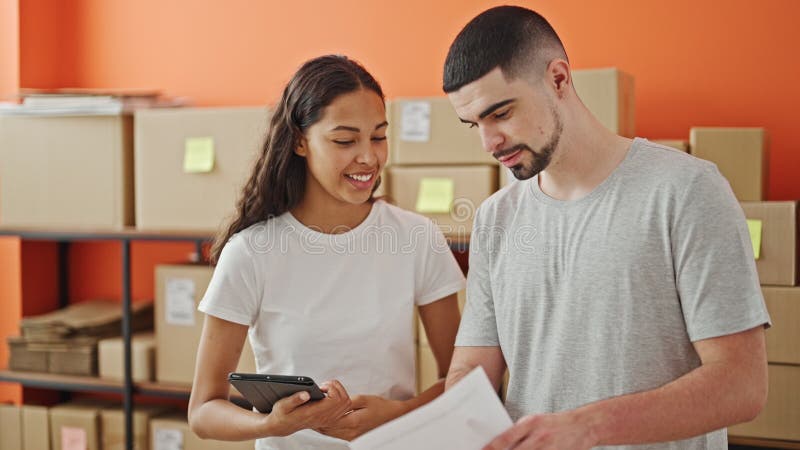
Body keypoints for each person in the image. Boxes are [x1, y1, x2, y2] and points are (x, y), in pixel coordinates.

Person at [441, 6, 770, 450]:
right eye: (473, 124)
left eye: (500, 113)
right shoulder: (495, 218)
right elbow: (474, 367)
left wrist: (587, 427)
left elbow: (742, 385)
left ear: (558, 79)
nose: (488, 142)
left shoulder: (687, 190)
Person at [187, 55, 465, 450]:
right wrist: (271, 425)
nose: (368, 157)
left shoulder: (416, 238)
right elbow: (203, 412)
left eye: (379, 136)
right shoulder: (251, 252)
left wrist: (398, 414)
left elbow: (464, 378)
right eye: (345, 140)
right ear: (300, 141)